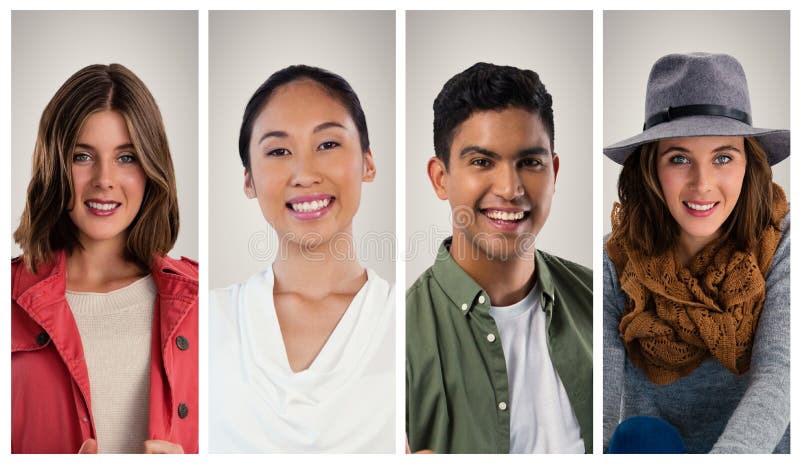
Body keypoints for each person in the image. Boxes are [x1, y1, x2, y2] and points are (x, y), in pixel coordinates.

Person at [603, 52, 790, 453]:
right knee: (638, 436)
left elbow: (780, 373)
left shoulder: (782, 243)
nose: (702, 183)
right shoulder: (617, 258)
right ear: (651, 169)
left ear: (748, 163)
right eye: (679, 158)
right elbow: (598, 392)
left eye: (723, 157)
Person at [406, 62, 592, 454]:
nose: (510, 189)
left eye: (530, 162)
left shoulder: (601, 300)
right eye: (482, 162)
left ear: (554, 172)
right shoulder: (396, 338)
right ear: (440, 178)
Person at [11, 64, 198, 454]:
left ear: (151, 167)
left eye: (126, 157)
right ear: (55, 166)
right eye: (82, 156)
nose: (104, 179)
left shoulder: (202, 305)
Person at [209, 65, 395, 453]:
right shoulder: (207, 322)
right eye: (279, 151)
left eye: (327, 145)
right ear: (248, 180)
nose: (305, 174)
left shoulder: (409, 323)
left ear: (368, 162)